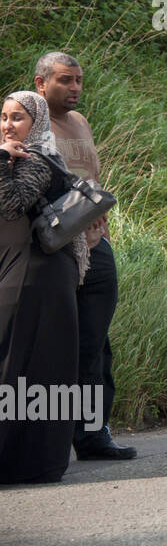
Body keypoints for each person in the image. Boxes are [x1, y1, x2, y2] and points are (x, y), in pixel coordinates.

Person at [34, 52, 136, 460]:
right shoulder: (28, 122)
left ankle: (92, 435)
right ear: (41, 83)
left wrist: (103, 233)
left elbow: (91, 178)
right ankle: (42, 441)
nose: (75, 88)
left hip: (97, 245)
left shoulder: (80, 122)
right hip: (54, 250)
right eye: (64, 80)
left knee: (95, 343)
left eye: (78, 80)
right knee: (52, 344)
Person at [0, 91, 89, 484]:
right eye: (3, 117)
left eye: (17, 117)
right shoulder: (22, 154)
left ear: (34, 122)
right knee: (24, 365)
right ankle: (25, 461)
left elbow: (12, 205)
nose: (7, 125)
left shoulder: (36, 157)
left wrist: (2, 159)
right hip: (23, 271)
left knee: (26, 365)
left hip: (37, 276)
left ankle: (30, 462)